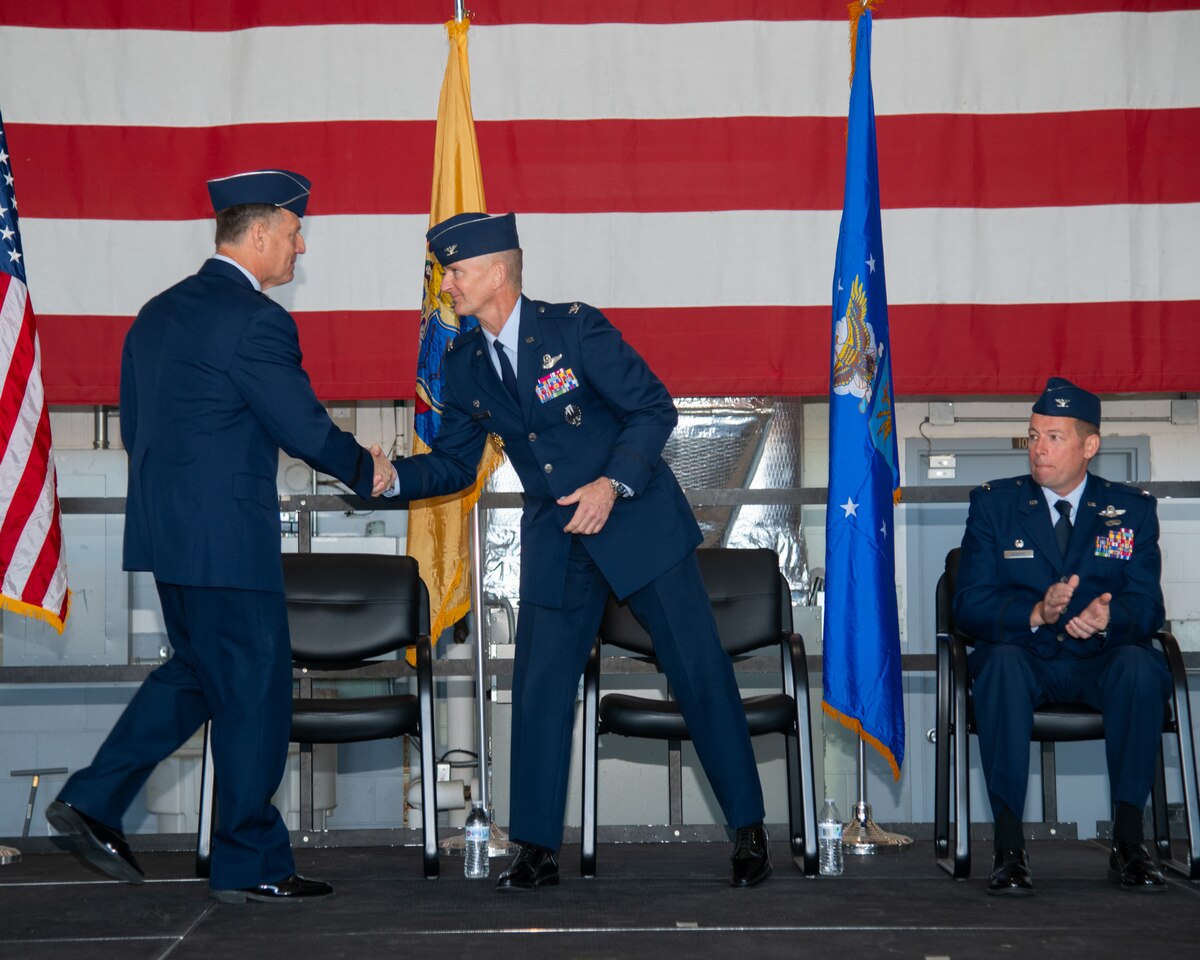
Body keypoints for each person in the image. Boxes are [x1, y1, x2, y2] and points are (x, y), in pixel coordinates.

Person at [384, 211, 770, 890]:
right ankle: (536, 849)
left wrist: (611, 483)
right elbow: (452, 465)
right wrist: (386, 477)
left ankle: (748, 830)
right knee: (540, 687)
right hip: (557, 538)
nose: (447, 285)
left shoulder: (574, 329)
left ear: (497, 272)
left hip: (638, 523)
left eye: (457, 271)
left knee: (698, 671)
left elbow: (653, 408)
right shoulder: (463, 363)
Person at [47, 169, 394, 904]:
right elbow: (301, 426)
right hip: (227, 540)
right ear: (259, 233)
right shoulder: (256, 319)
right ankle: (251, 860)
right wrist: (371, 470)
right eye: (294, 232)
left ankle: (93, 798)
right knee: (256, 693)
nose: (301, 247)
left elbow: (136, 426)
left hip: (168, 534)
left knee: (197, 676)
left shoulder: (156, 314)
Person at [953, 377, 1171, 895]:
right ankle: (1009, 848)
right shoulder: (995, 506)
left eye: (1054, 437)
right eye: (1033, 436)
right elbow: (969, 605)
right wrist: (1034, 611)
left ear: (1089, 446)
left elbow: (1148, 607)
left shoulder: (1131, 510)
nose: (1038, 448)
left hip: (1100, 660)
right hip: (1027, 658)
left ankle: (1128, 842)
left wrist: (1108, 618)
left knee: (1142, 667)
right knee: (999, 666)